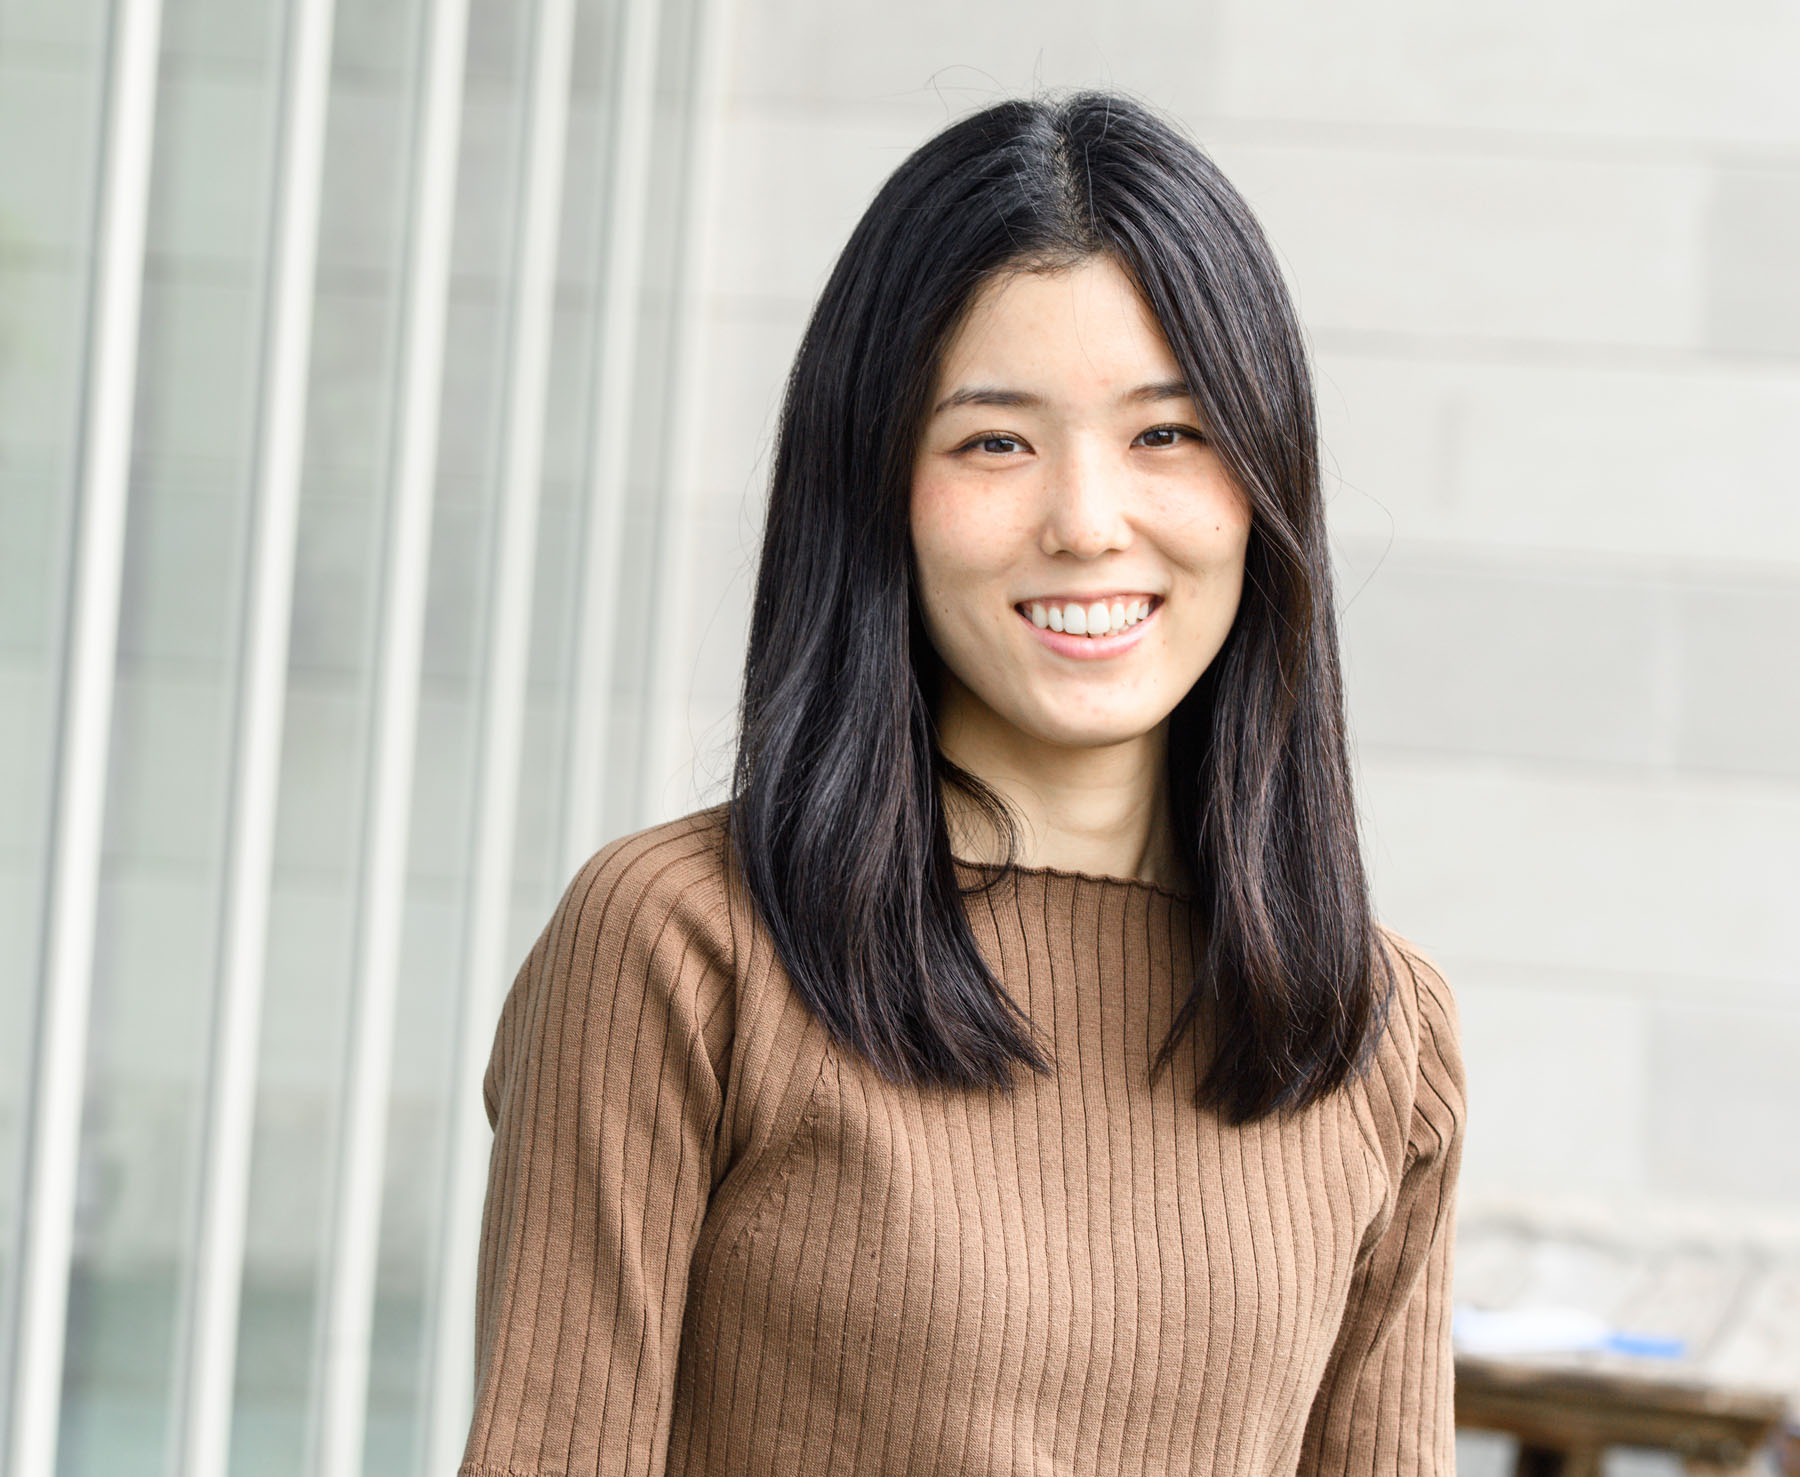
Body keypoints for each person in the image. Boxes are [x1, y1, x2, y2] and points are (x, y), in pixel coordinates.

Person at [457, 91, 1465, 1477]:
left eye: (1167, 435)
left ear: (1263, 486)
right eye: (997, 440)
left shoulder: (1375, 1027)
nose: (1086, 519)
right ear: (876, 486)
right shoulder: (678, 948)